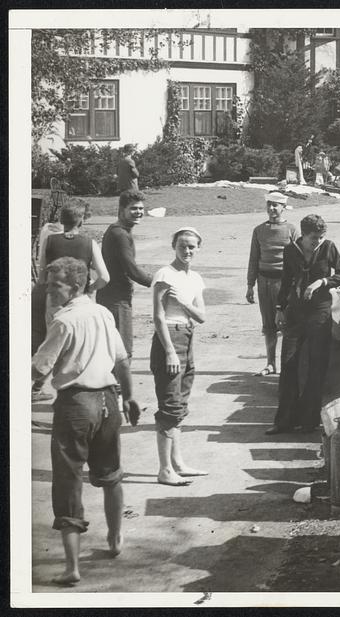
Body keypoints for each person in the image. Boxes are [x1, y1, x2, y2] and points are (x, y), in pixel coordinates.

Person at [31, 257, 139, 586]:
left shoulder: (64, 321)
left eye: (56, 285)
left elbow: (40, 368)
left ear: (76, 286)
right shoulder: (103, 312)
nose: (50, 289)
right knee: (111, 475)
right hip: (108, 401)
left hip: (76, 404)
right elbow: (121, 360)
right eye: (49, 284)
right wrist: (131, 397)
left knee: (68, 481)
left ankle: (72, 567)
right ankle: (115, 538)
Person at [267, 214, 340, 434]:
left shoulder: (328, 248)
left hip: (319, 312)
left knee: (316, 365)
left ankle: (309, 421)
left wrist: (322, 281)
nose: (318, 241)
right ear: (303, 234)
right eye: (314, 237)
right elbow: (286, 280)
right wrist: (279, 308)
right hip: (295, 312)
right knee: (289, 363)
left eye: (321, 237)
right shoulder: (290, 251)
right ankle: (284, 421)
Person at [32, 202, 110, 400]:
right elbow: (105, 277)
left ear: (61, 220)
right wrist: (90, 288)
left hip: (55, 299)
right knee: (78, 344)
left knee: (54, 344)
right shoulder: (89, 243)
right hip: (79, 298)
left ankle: (38, 387)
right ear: (82, 220)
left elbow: (42, 276)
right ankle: (71, 388)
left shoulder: (49, 240)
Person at [150, 227, 207, 486]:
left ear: (198, 248)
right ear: (174, 246)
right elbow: (158, 316)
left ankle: (178, 463)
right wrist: (170, 351)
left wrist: (184, 303)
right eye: (182, 246)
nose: (187, 251)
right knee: (170, 405)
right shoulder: (165, 274)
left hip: (188, 335)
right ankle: (164, 470)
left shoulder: (195, 278)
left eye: (192, 247)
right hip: (169, 339)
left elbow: (201, 316)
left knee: (180, 404)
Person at [246, 193, 298, 376]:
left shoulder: (292, 230)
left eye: (275, 205)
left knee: (286, 323)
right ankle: (270, 363)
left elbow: (299, 259)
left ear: (283, 207)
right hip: (263, 282)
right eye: (269, 205)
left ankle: (287, 365)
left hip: (284, 283)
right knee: (268, 325)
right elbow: (254, 258)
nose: (271, 209)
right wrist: (250, 284)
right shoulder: (259, 230)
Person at [96, 189, 152, 358]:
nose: (139, 212)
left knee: (114, 350)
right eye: (134, 209)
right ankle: (118, 385)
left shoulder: (120, 230)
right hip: (116, 300)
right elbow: (132, 270)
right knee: (122, 352)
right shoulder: (119, 234)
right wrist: (158, 281)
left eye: (141, 209)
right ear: (121, 211)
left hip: (114, 297)